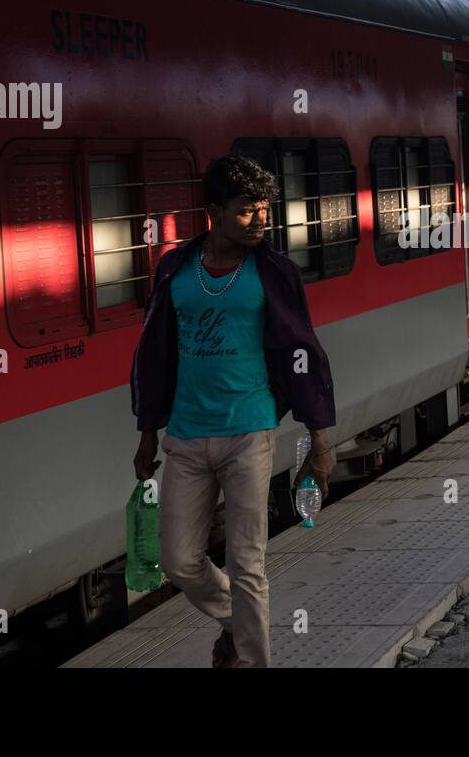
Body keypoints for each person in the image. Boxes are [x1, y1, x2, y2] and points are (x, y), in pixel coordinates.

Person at [130, 153, 337, 667]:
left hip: (250, 431)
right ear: (214, 212)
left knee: (248, 564)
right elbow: (156, 355)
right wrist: (147, 431)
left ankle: (252, 661)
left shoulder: (274, 273)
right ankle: (236, 620)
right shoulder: (176, 269)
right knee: (177, 560)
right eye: (247, 210)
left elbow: (302, 352)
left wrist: (320, 441)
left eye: (265, 208)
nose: (260, 219)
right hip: (185, 435)